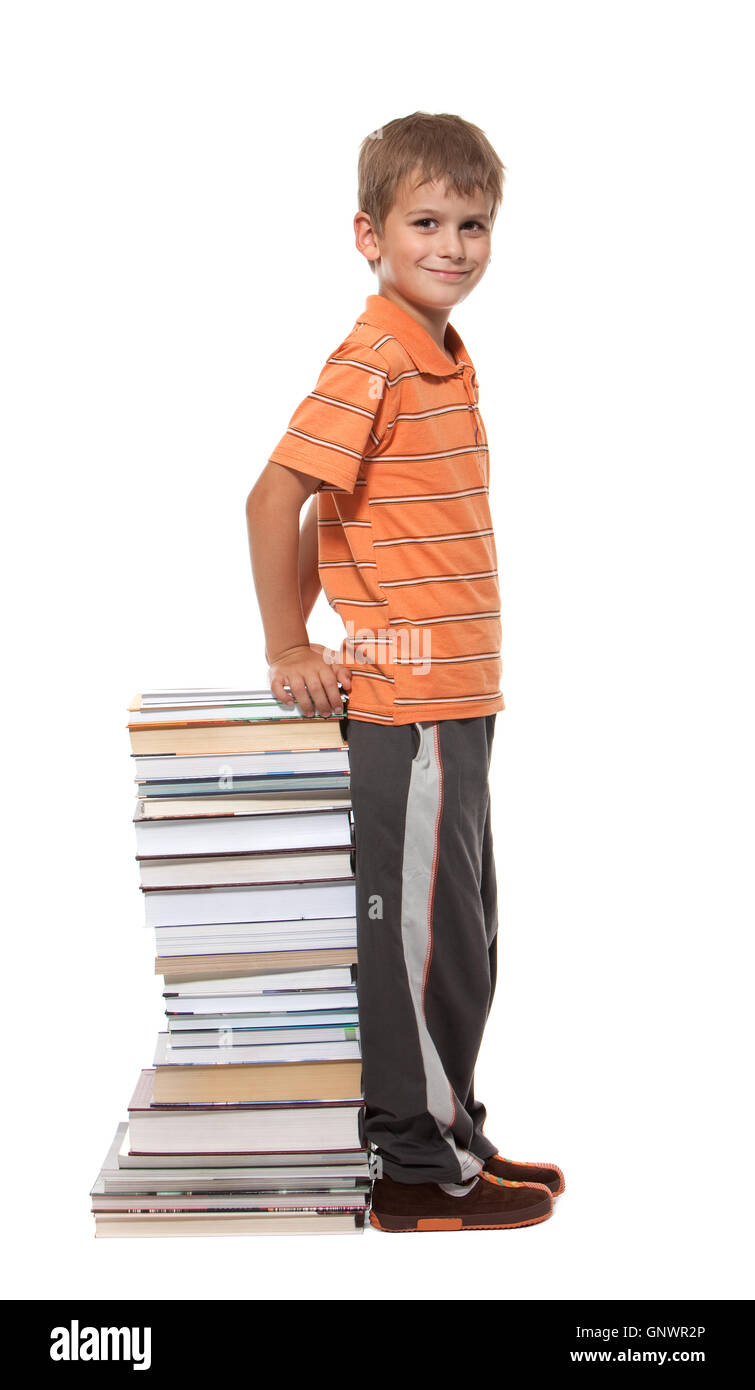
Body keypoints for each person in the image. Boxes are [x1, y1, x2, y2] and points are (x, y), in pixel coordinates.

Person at [246, 111, 564, 1232]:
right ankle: (416, 1173)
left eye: (472, 223)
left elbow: (353, 512)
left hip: (459, 701)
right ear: (367, 233)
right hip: (408, 703)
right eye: (425, 221)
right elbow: (274, 495)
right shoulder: (375, 351)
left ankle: (457, 1138)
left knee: (463, 939)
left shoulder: (438, 350)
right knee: (421, 948)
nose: (454, 244)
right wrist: (292, 644)